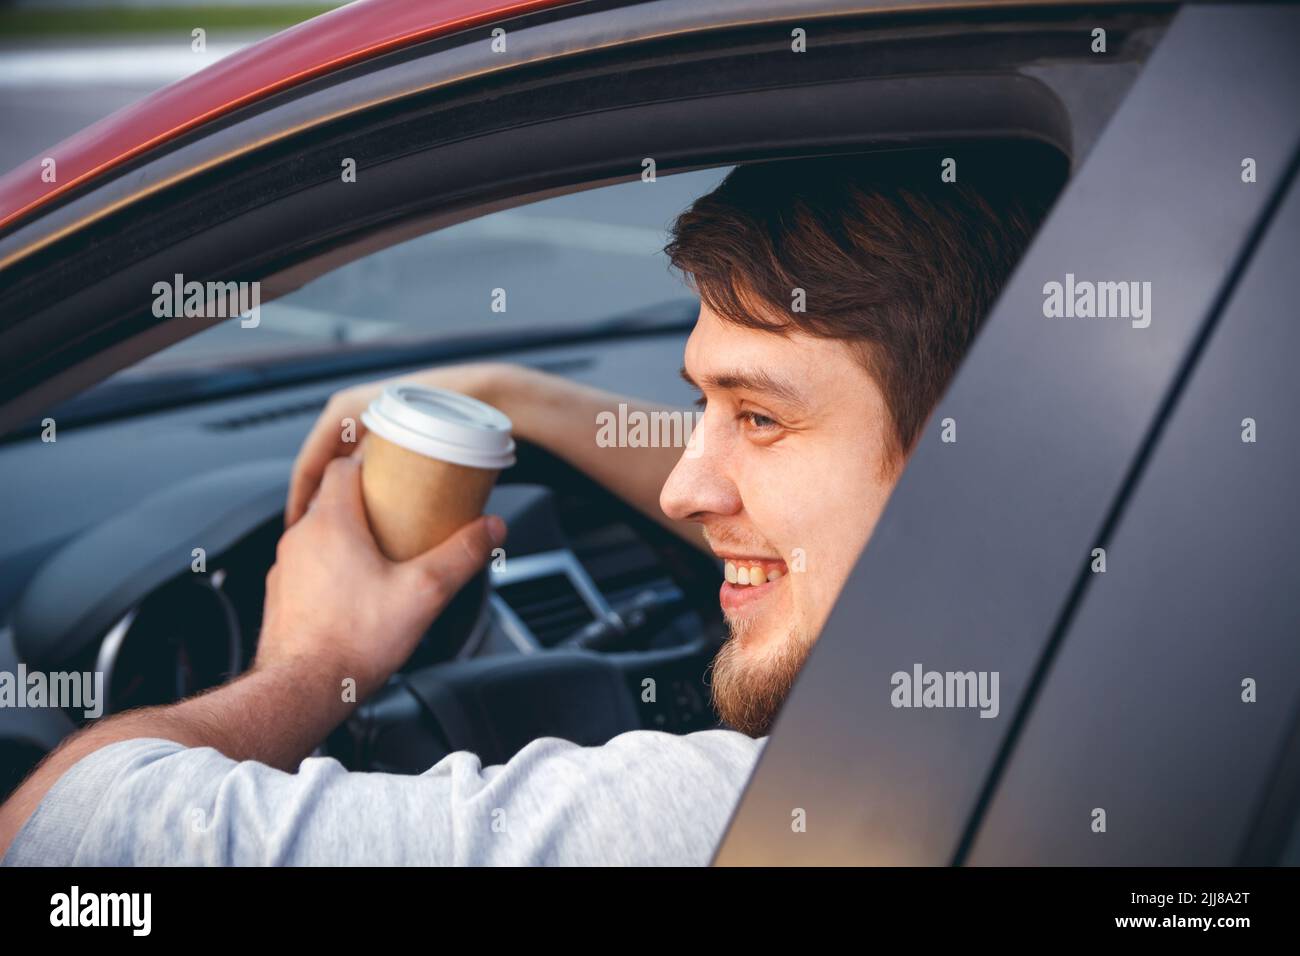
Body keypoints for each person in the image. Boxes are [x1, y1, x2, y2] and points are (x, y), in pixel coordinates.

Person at [0, 151, 1055, 865]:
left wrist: (310, 664)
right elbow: (846, 503)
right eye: (700, 402)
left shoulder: (770, 807)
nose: (687, 487)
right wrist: (513, 400)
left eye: (761, 419)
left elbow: (59, 837)